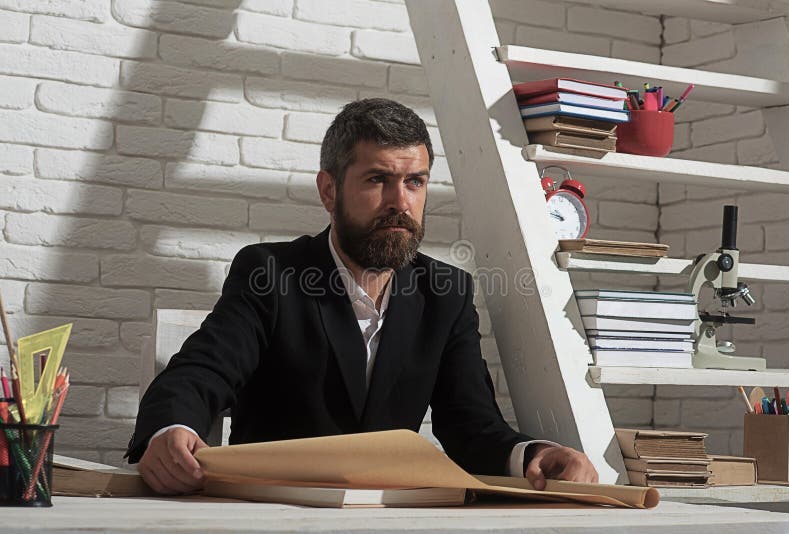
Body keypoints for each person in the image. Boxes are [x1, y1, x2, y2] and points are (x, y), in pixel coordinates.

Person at [127, 98, 598, 494]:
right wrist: (173, 430)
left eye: (415, 181)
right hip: (273, 515)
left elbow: (472, 428)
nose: (401, 201)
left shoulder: (447, 294)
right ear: (329, 190)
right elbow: (198, 373)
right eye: (378, 180)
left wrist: (536, 455)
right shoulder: (269, 273)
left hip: (390, 520)